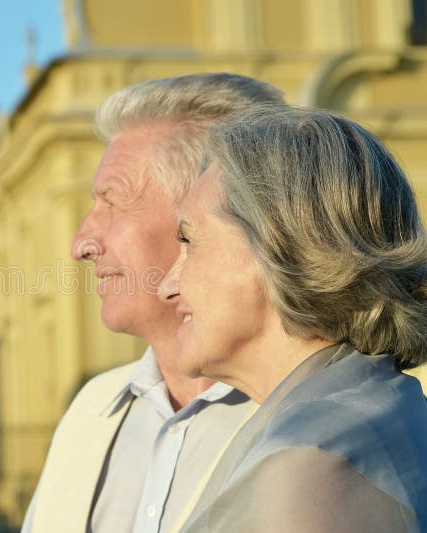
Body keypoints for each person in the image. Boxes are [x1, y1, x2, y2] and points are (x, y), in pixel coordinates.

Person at [22, 74, 285, 533]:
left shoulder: (320, 414)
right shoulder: (89, 414)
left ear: (209, 211)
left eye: (112, 204)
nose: (82, 243)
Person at [159, 106, 427, 532]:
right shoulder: (368, 412)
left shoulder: (312, 464)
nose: (166, 286)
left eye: (188, 240)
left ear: (276, 247)